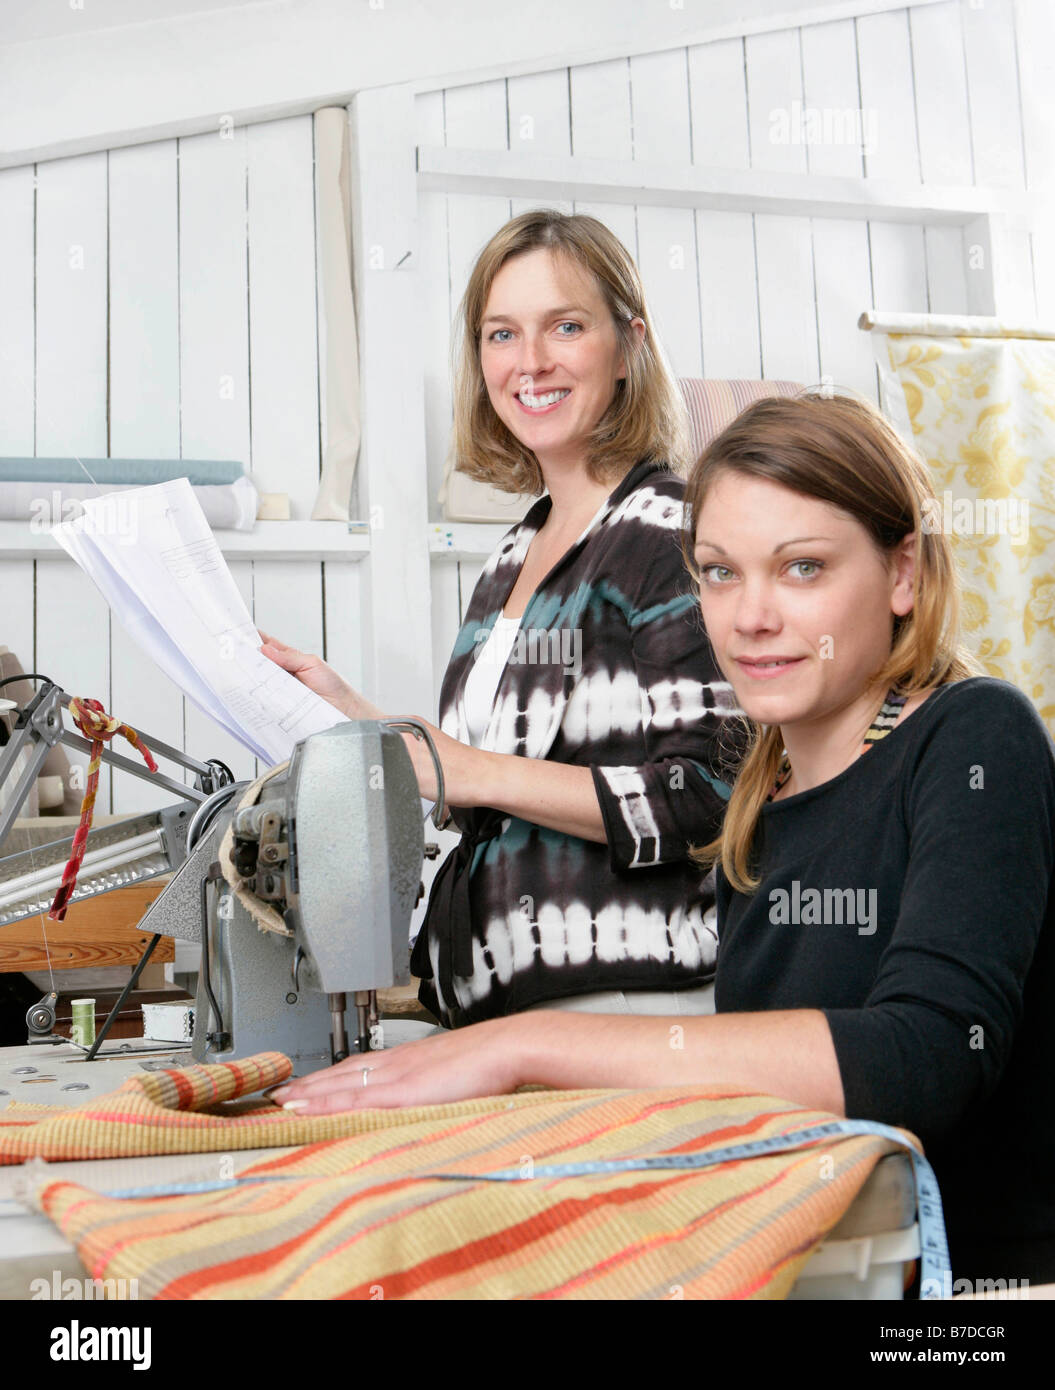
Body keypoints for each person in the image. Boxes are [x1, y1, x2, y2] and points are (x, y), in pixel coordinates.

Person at [272, 392, 1055, 1288]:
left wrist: (520, 1046)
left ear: (904, 572)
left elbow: (922, 1057)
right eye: (719, 573)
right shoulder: (762, 794)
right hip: (832, 1257)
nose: (748, 616)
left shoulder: (975, 737)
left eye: (801, 569)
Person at [263, 209, 743, 1029]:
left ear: (628, 346)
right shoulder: (508, 561)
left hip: (625, 1012)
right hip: (499, 1012)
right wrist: (364, 721)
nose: (530, 363)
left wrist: (461, 768)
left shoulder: (668, 533)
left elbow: (709, 798)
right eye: (500, 334)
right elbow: (492, 792)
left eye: (564, 326)